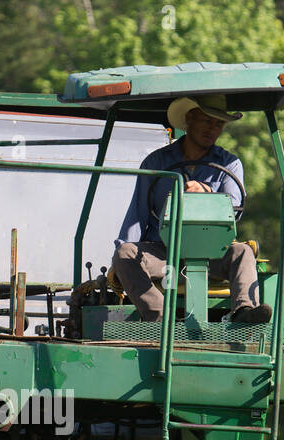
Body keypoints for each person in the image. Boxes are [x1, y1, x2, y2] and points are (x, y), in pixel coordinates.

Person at [111, 94, 272, 326]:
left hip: (212, 253)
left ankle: (244, 312)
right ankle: (161, 318)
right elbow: (138, 215)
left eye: (219, 124)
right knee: (125, 253)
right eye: (207, 121)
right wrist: (119, 259)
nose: (212, 129)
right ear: (189, 119)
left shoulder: (229, 164)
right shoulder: (156, 163)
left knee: (243, 253)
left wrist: (207, 196)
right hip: (163, 254)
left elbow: (234, 213)